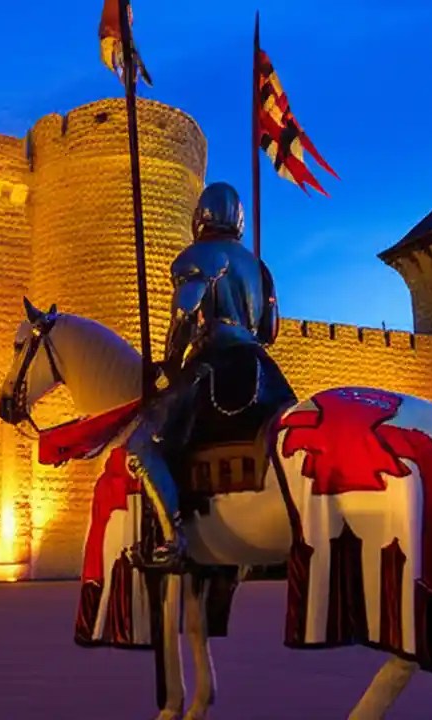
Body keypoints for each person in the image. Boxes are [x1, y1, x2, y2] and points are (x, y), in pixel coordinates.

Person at [126, 181, 297, 572]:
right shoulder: (259, 268)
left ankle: (174, 538)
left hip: (214, 365)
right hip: (259, 369)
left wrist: (168, 365)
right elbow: (269, 330)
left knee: (142, 445)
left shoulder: (196, 257)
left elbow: (185, 315)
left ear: (199, 215)